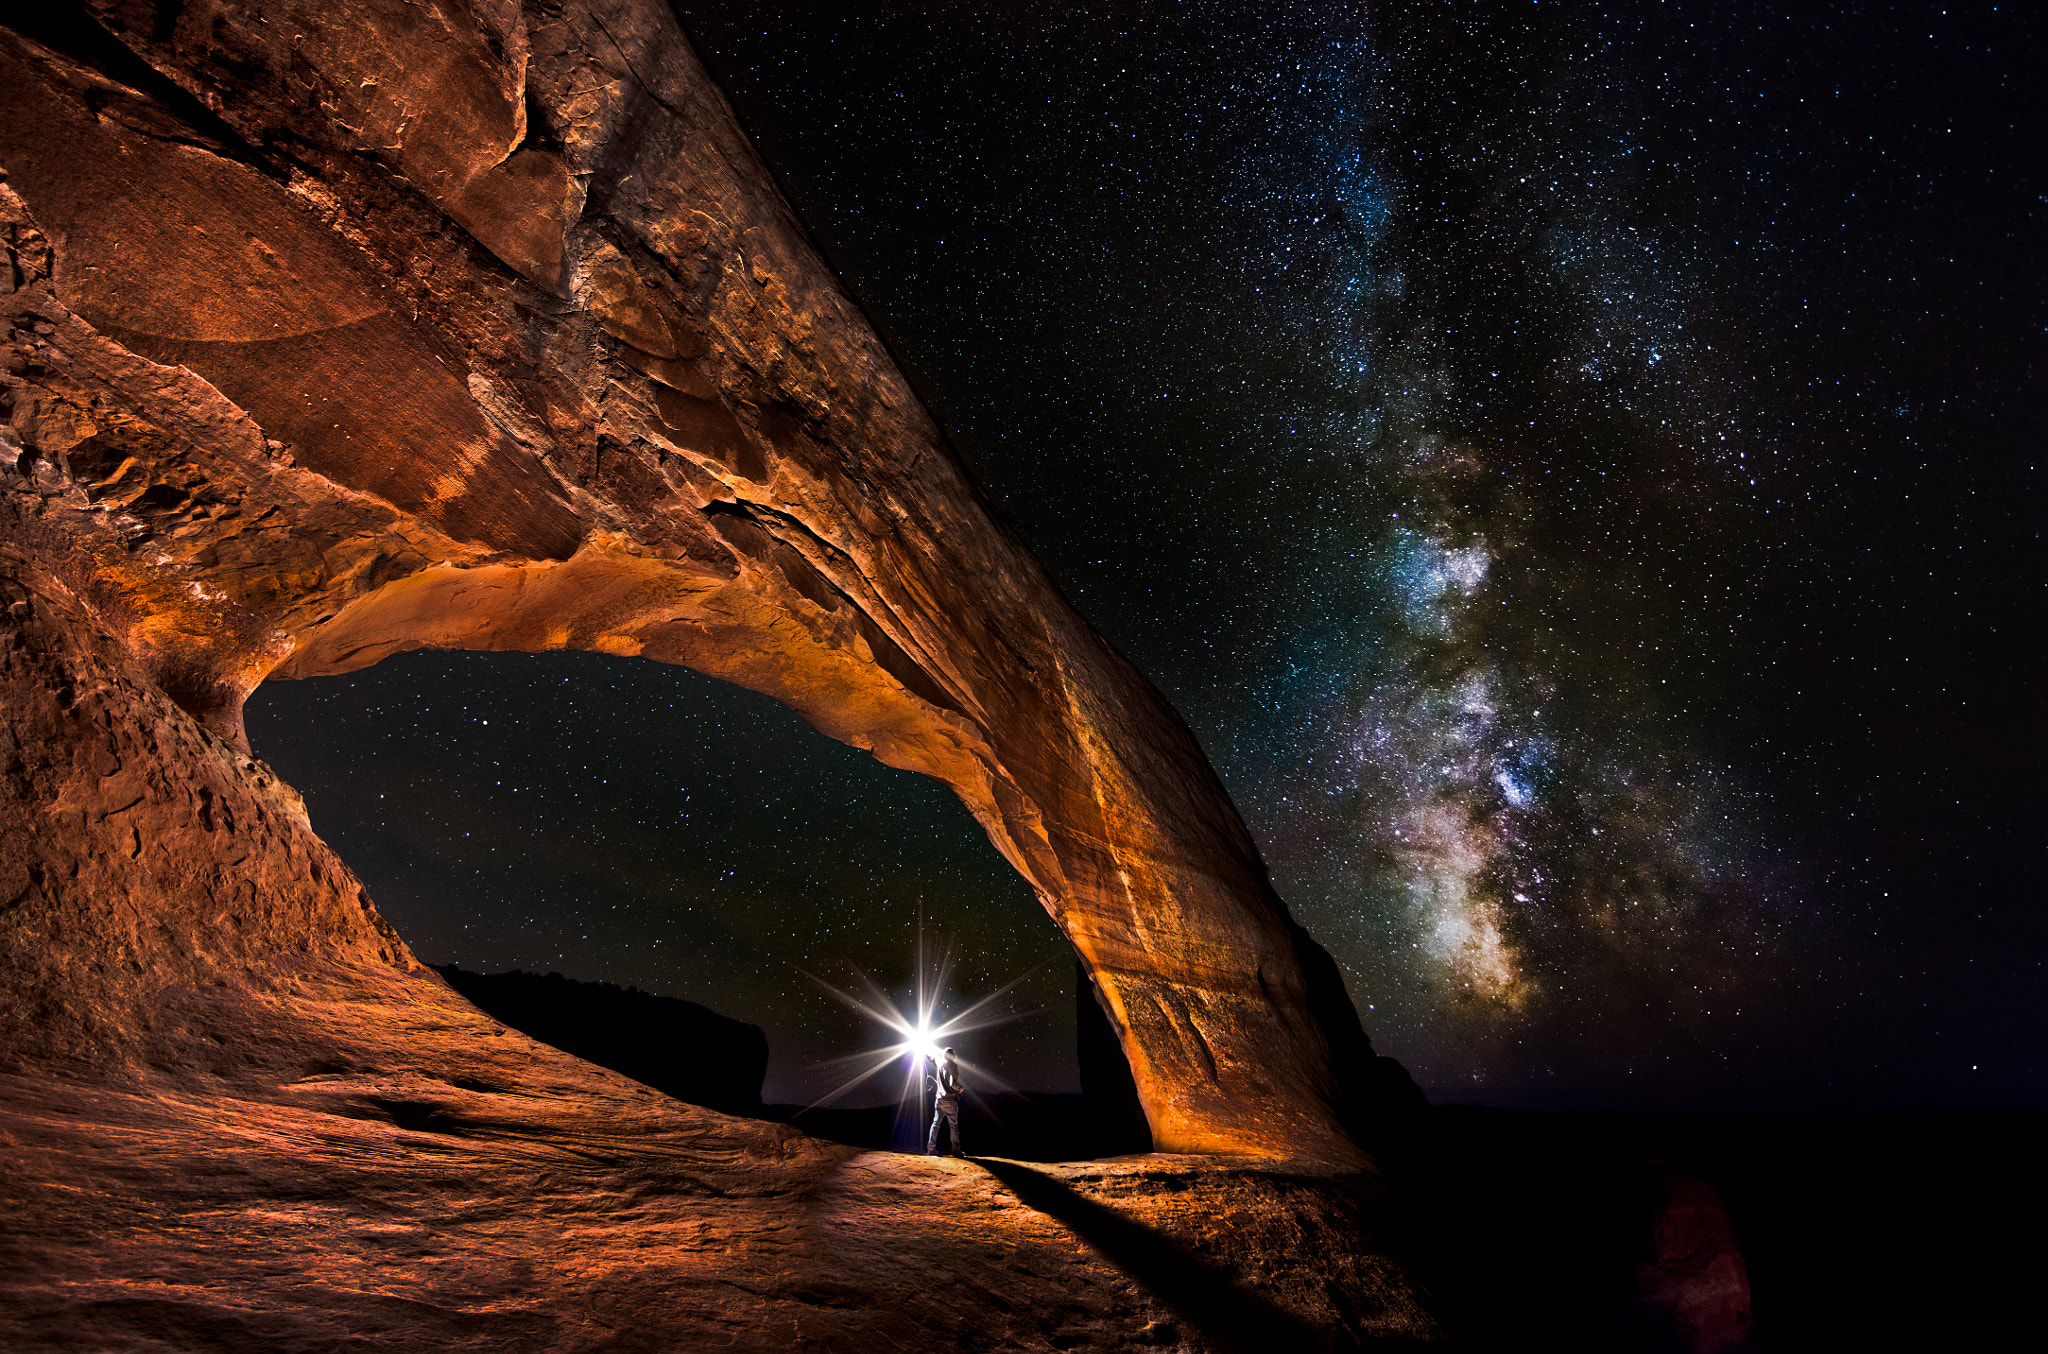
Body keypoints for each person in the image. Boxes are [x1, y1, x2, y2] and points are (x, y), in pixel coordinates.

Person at [926, 1047, 965, 1155]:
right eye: (953, 1052)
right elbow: (953, 1084)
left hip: (939, 1099)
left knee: (935, 1124)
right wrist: (961, 1088)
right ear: (951, 1055)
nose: (955, 1054)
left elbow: (931, 1058)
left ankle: (931, 1149)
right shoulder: (952, 1065)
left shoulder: (939, 1062)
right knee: (953, 1126)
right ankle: (956, 1150)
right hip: (949, 1100)